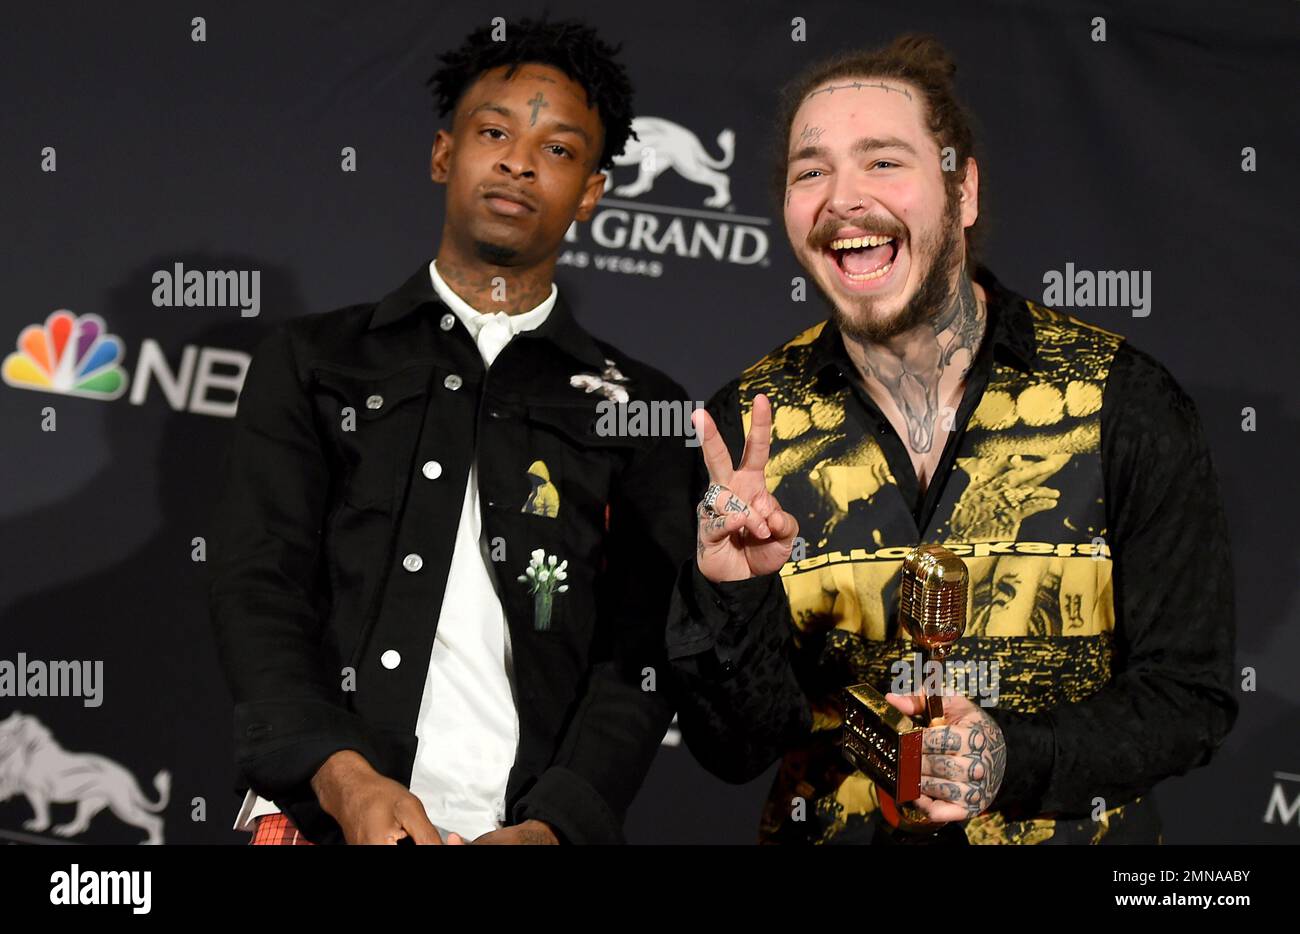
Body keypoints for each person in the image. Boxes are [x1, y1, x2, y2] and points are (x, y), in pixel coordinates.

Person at [665, 34, 1237, 845]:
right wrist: (732, 592)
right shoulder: (747, 429)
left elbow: (1190, 698)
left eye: (883, 161)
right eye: (810, 170)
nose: (842, 198)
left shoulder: (1123, 400)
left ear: (961, 189)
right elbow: (733, 748)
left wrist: (1011, 758)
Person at [209, 17, 696, 845]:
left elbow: (639, 656)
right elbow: (259, 590)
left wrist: (558, 826)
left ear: (591, 194)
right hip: (318, 813)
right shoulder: (313, 360)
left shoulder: (643, 410)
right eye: (495, 132)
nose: (517, 161)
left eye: (558, 149)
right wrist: (344, 776)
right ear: (444, 154)